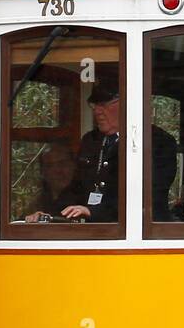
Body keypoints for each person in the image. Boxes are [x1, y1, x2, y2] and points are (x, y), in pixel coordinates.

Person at [26, 75, 176, 223]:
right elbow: (76, 188)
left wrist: (94, 211)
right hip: (97, 232)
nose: (97, 111)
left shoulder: (157, 141)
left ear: (127, 104)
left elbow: (149, 195)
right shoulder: (91, 141)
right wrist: (49, 213)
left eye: (104, 104)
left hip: (142, 233)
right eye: (94, 106)